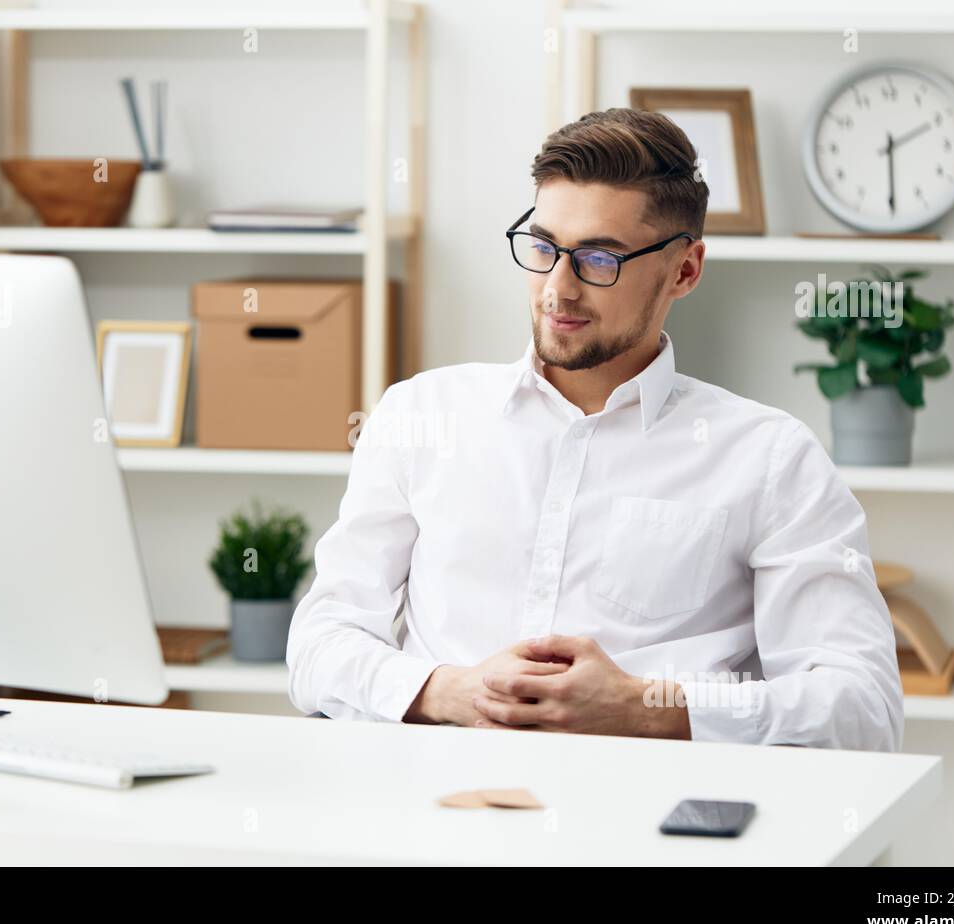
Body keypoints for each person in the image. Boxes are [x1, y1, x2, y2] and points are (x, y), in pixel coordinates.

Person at [286, 107, 903, 751]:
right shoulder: (421, 415)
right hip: (436, 814)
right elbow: (319, 643)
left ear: (685, 271)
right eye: (545, 247)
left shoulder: (770, 458)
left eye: (600, 258)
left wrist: (646, 707)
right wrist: (452, 692)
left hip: (651, 827)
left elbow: (862, 706)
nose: (558, 289)